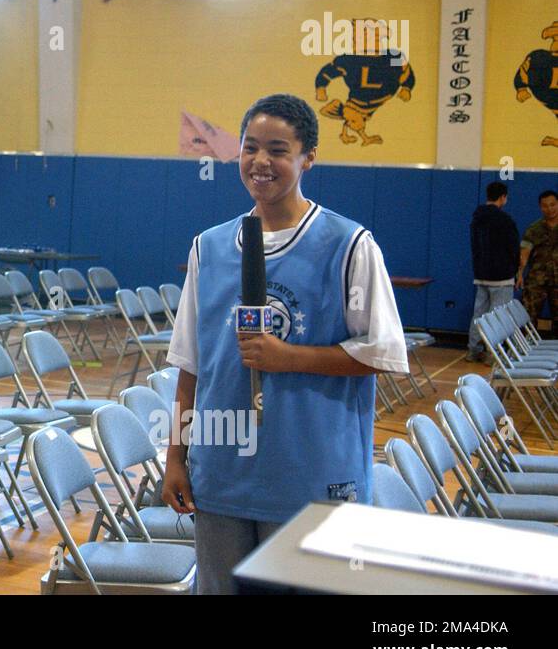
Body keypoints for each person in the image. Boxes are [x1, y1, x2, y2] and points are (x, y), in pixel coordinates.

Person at [160, 93, 408, 594]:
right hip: (224, 475)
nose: (260, 162)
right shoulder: (208, 247)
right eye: (250, 147)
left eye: (277, 149)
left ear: (307, 157)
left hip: (312, 479)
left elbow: (382, 354)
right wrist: (176, 457)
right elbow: (190, 366)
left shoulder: (349, 244)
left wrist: (288, 357)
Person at [467, 181, 520, 362]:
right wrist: (515, 270)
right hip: (502, 276)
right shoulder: (505, 220)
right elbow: (513, 248)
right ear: (503, 197)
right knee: (498, 316)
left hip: (481, 274)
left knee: (479, 314)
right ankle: (493, 353)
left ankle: (473, 350)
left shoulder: (476, 219)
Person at [520, 190, 558, 337]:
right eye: (545, 206)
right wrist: (520, 273)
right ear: (540, 207)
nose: (550, 209)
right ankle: (525, 351)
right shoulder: (533, 229)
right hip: (537, 281)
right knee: (528, 317)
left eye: (553, 205)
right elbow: (524, 253)